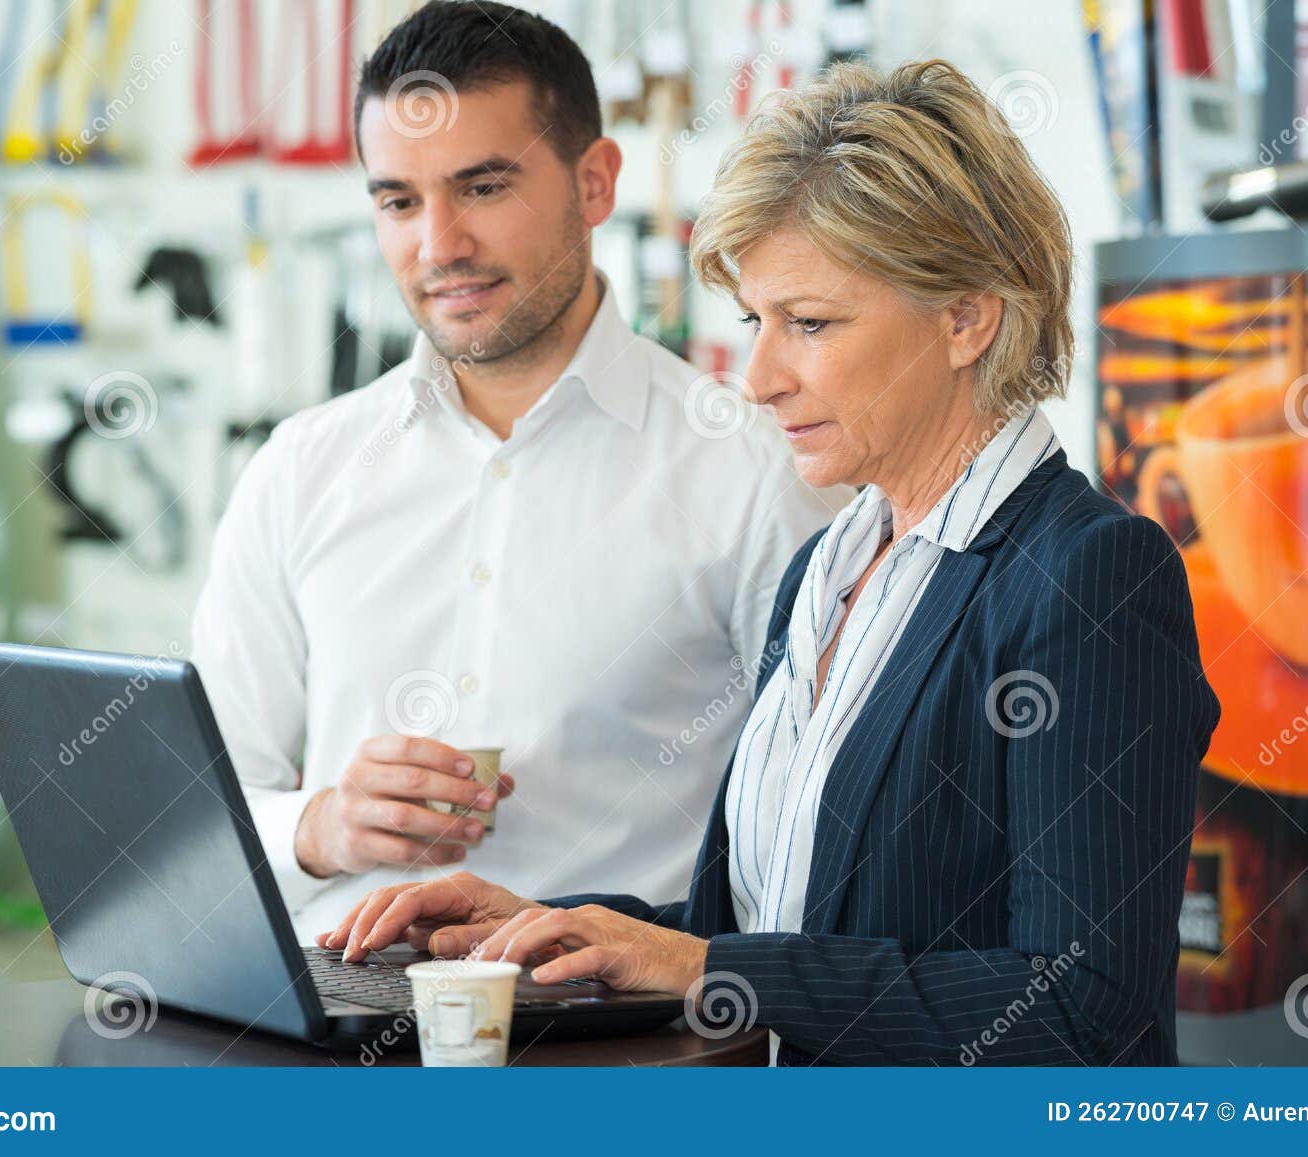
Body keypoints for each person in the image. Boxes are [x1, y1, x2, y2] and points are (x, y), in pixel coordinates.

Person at [321, 58, 1222, 1066]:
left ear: (967, 316)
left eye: (810, 323)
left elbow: (1079, 1002)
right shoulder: (829, 567)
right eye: (755, 321)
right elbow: (772, 919)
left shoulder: (1085, 573)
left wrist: (704, 968)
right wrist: (541, 925)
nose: (756, 378)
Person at [190, 2, 837, 941]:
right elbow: (189, 824)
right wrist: (319, 827)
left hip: (615, 1046)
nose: (438, 245)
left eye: (484, 188)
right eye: (398, 201)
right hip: (335, 1029)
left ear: (594, 183)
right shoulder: (300, 469)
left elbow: (822, 833)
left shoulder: (753, 469)